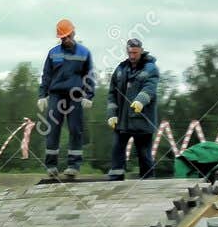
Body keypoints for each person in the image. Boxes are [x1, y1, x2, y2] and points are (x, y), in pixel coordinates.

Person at [37, 18, 95, 179]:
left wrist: (89, 95)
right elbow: (46, 75)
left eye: (68, 36)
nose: (66, 40)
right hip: (56, 96)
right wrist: (42, 95)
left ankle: (73, 166)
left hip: (75, 96)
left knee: (76, 130)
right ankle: (51, 166)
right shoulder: (53, 53)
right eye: (63, 38)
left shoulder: (84, 53)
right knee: (52, 130)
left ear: (73, 33)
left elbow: (89, 75)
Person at [107, 37, 159, 180]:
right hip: (122, 121)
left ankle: (148, 185)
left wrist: (141, 101)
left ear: (141, 51)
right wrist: (112, 114)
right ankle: (115, 181)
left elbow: (150, 88)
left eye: (135, 53)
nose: (132, 56)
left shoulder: (151, 68)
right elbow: (112, 93)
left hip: (142, 120)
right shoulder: (120, 69)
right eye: (130, 52)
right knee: (117, 150)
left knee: (144, 155)